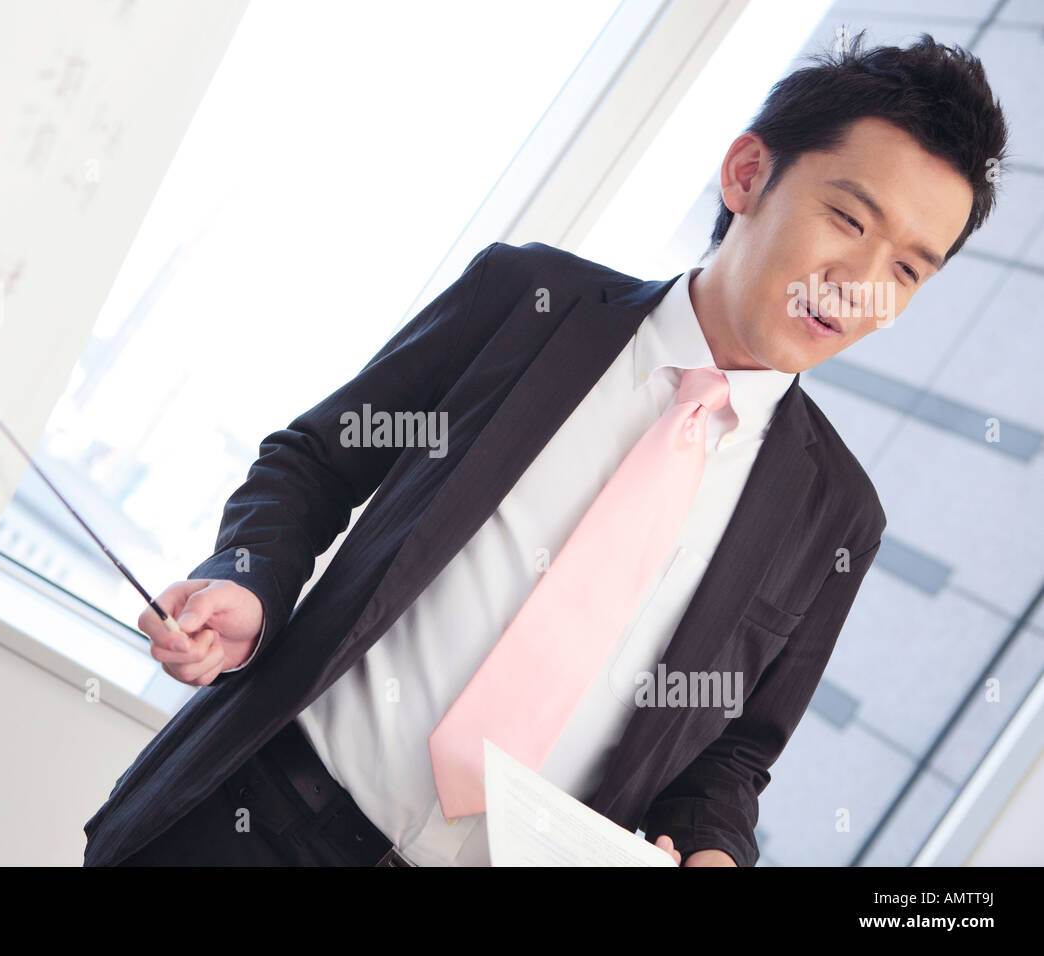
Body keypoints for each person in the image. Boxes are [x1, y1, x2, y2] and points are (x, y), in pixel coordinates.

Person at [83, 30, 1009, 867]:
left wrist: (715, 850)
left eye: (905, 269)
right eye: (848, 220)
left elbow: (734, 753)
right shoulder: (526, 304)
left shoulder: (835, 515)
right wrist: (249, 582)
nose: (859, 285)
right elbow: (317, 462)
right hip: (255, 818)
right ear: (746, 175)